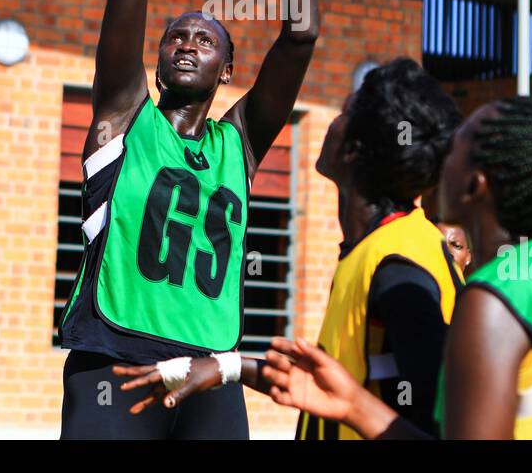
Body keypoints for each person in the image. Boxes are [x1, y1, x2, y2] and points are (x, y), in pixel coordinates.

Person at [56, 0, 320, 439]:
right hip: (111, 362)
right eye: (175, 33)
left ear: (227, 69)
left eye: (205, 38)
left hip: (210, 372)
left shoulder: (240, 143)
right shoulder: (122, 116)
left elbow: (300, 33)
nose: (186, 40)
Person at [260, 88, 532, 439]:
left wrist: (356, 407)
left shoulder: (495, 300)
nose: (437, 160)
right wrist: (353, 403)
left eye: (454, 150)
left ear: (474, 185)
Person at [116, 58, 463, 438]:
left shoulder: (399, 268)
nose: (332, 121)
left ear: (353, 150)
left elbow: (442, 425)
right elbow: (332, 387)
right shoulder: (379, 246)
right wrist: (228, 368)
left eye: (344, 112)